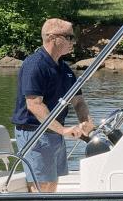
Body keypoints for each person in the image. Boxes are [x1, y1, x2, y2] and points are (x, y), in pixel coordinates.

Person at [11, 18, 94, 192]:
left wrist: (86, 123)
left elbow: (78, 101)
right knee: (41, 186)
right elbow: (34, 104)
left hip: (54, 133)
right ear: (52, 38)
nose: (74, 41)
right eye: (69, 37)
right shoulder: (35, 65)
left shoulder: (64, 69)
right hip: (34, 133)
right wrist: (63, 130)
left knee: (51, 184)